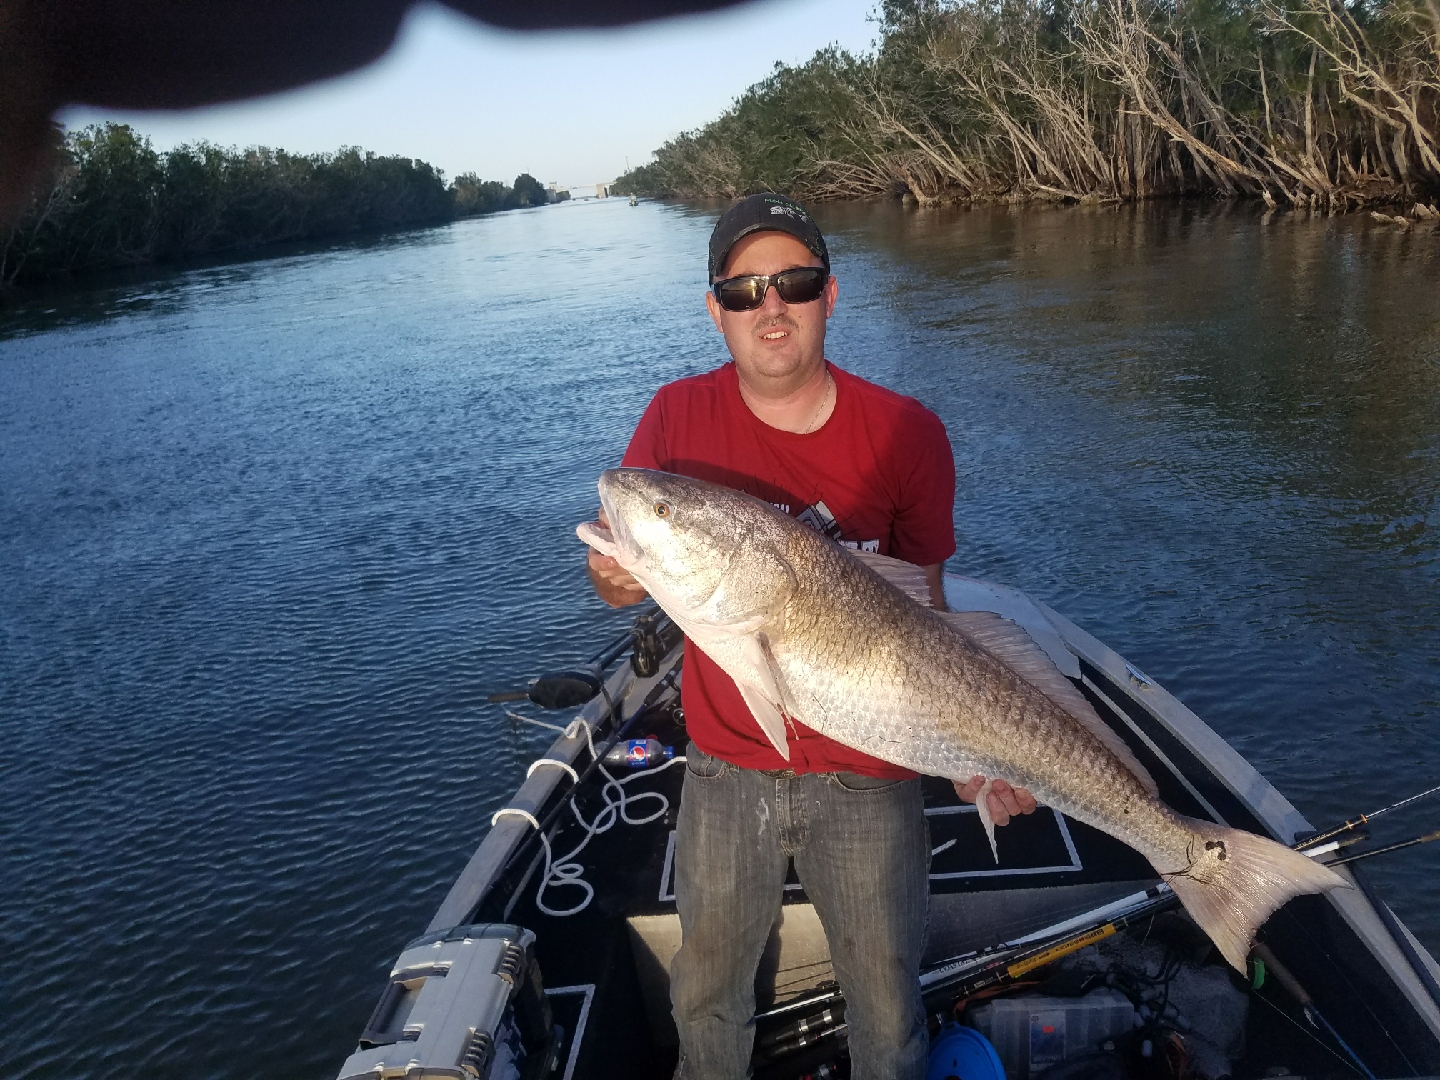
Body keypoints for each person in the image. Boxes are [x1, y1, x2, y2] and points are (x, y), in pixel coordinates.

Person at [583, 193, 1035, 1080]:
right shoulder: (676, 418)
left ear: (831, 295)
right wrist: (611, 579)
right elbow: (624, 562)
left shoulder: (907, 433)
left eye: (793, 281)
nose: (771, 306)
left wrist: (974, 753)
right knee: (705, 995)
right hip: (724, 766)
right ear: (716, 310)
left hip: (870, 774)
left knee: (887, 1001)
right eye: (745, 290)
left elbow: (928, 616)